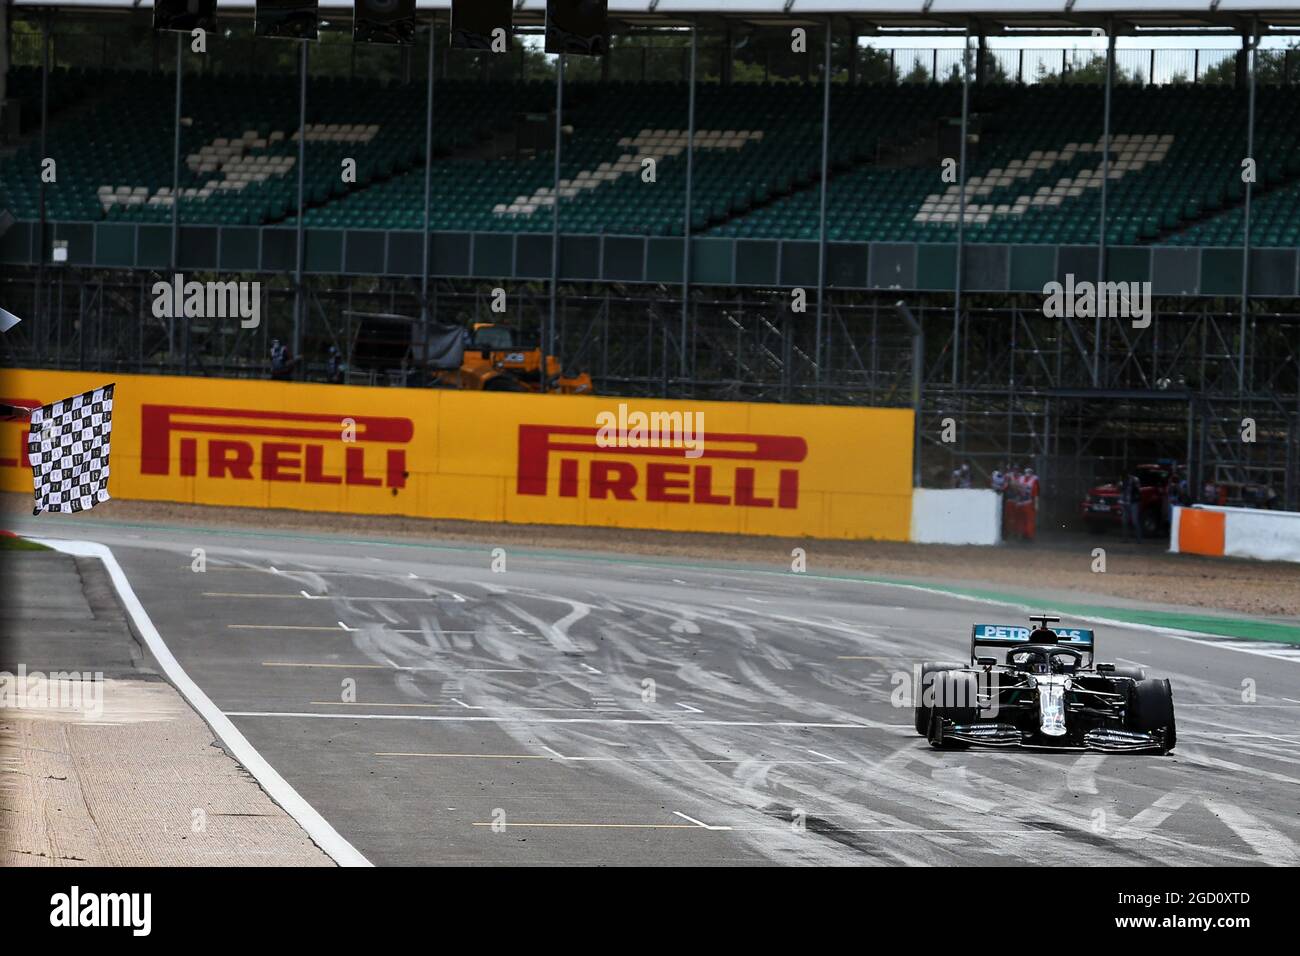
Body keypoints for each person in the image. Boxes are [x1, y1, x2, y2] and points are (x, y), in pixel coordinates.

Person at [1121, 471, 1143, 542]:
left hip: (1133, 503)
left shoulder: (1135, 480)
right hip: (1126, 502)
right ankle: (1125, 539)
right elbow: (1122, 491)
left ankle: (1139, 538)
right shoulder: (1123, 480)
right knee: (1124, 521)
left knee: (1135, 521)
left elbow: (1138, 490)